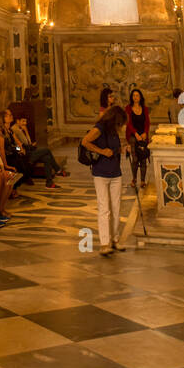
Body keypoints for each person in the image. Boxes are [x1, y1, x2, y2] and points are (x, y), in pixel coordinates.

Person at [82, 104, 127, 258]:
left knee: (116, 208)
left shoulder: (113, 130)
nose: (120, 126)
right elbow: (85, 142)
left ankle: (115, 239)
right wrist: (101, 151)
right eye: (120, 123)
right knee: (104, 209)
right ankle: (104, 243)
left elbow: (114, 149)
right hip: (100, 173)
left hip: (115, 173)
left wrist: (122, 149)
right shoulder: (99, 128)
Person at [12, 113, 67, 188]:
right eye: (23, 121)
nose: (25, 123)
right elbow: (20, 144)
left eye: (26, 121)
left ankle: (49, 182)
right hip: (26, 155)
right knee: (47, 150)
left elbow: (28, 142)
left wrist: (26, 131)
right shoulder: (15, 129)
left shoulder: (21, 128)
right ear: (18, 121)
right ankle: (58, 170)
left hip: (29, 151)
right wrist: (21, 149)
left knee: (47, 158)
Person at [125, 87, 151, 189]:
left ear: (140, 97)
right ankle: (134, 178)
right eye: (134, 95)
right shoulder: (128, 108)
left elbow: (147, 123)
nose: (135, 97)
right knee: (135, 159)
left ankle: (143, 180)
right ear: (132, 97)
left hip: (143, 135)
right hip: (133, 135)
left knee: (143, 158)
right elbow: (128, 123)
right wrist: (135, 133)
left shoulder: (145, 108)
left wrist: (145, 133)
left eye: (137, 95)